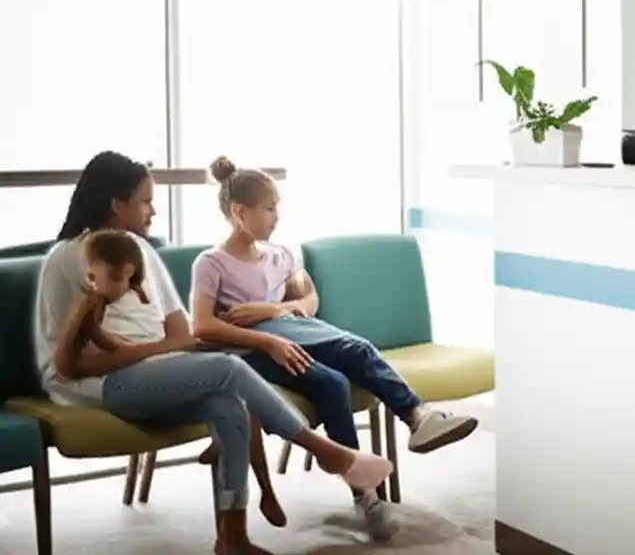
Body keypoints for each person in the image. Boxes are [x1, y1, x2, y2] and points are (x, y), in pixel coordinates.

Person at [37, 151, 394, 555]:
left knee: (228, 406)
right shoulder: (64, 259)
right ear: (116, 204)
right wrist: (155, 351)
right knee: (226, 368)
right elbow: (65, 365)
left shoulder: (143, 253)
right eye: (144, 201)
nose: (154, 210)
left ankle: (233, 538)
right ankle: (326, 451)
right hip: (98, 385)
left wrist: (164, 350)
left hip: (157, 373)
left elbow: (179, 332)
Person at [189, 156, 479, 542]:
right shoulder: (211, 264)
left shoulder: (281, 255)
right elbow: (203, 325)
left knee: (351, 359)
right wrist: (265, 334)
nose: (277, 216)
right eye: (270, 208)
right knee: (336, 377)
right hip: (255, 352)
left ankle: (416, 418)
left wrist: (272, 309)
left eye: (278, 207)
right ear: (239, 212)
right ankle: (368, 498)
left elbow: (309, 300)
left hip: (292, 332)